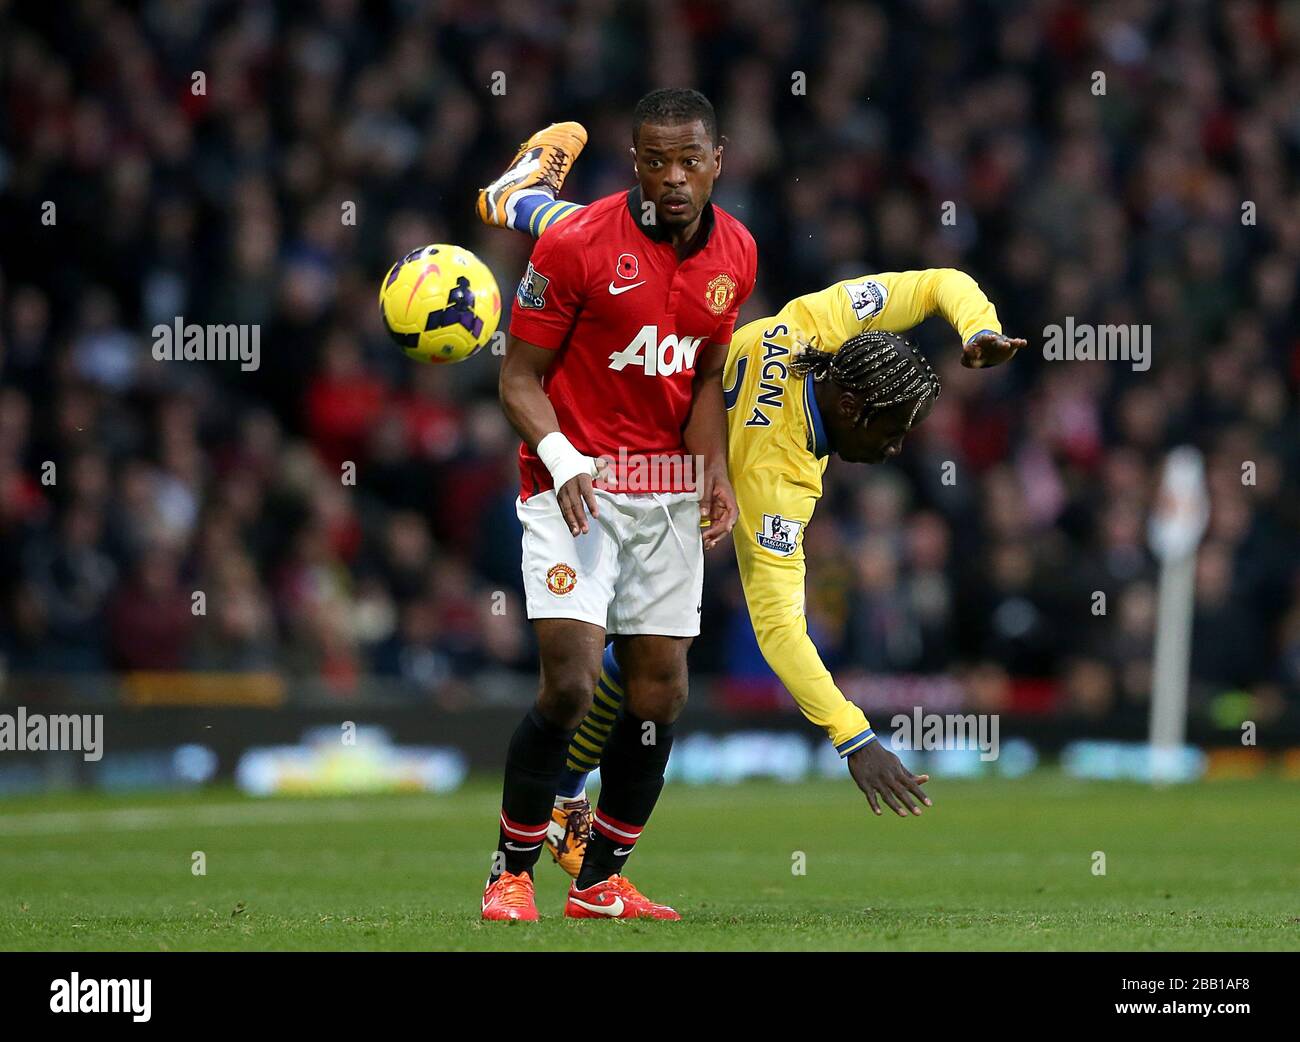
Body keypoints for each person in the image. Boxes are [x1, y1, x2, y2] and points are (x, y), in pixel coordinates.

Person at [480, 121, 1026, 884]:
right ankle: (556, 813)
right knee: (622, 670)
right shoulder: (781, 481)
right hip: (619, 450)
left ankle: (520, 201)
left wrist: (979, 326)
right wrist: (853, 736)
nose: (900, 449)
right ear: (857, 409)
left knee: (608, 244)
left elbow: (936, 283)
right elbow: (779, 632)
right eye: (896, 430)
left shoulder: (818, 325)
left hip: (650, 366)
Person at [478, 89, 758, 921]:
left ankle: (600, 879)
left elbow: (704, 374)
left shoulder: (737, 253)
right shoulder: (580, 246)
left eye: (689, 161)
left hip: (666, 494)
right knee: (568, 681)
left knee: (660, 692)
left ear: (718, 159)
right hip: (575, 488)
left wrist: (715, 469)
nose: (673, 177)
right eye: (655, 161)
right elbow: (517, 378)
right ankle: (510, 873)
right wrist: (562, 460)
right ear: (635, 163)